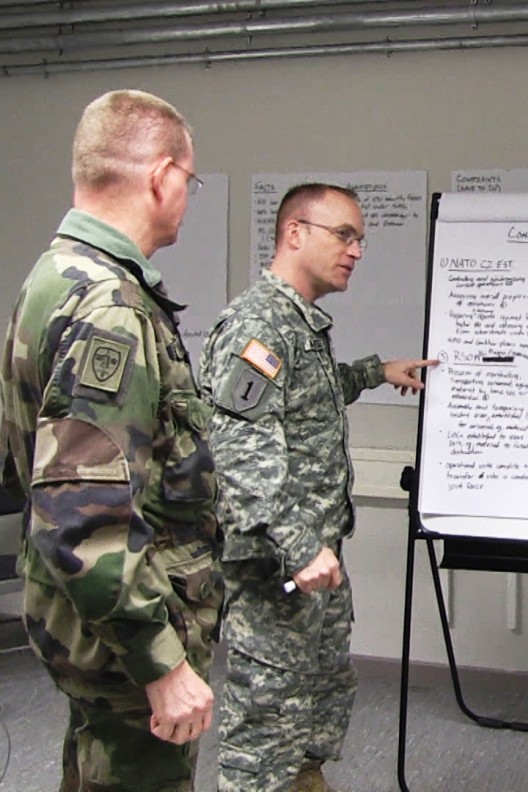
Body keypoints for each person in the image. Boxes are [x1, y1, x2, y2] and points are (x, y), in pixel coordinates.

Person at [0, 90, 221, 790]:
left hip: (81, 622)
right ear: (161, 177)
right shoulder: (112, 310)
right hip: (126, 633)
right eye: (189, 179)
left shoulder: (53, 277)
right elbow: (83, 516)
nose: (187, 195)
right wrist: (161, 662)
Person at [200, 183, 436, 792]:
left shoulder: (298, 324)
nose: (356, 250)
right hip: (280, 563)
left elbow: (310, 393)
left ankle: (305, 778)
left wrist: (375, 373)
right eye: (344, 235)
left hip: (317, 555)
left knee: (319, 696)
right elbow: (240, 450)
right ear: (295, 233)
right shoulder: (259, 324)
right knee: (265, 725)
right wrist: (300, 545)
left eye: (360, 239)